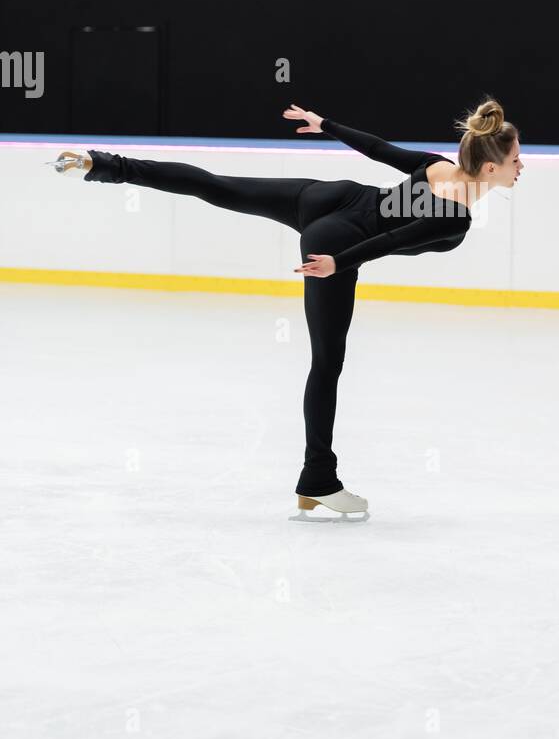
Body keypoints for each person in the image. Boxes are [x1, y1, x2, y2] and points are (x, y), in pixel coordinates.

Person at [48, 96, 523, 521]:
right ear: (489, 170)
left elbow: (380, 150)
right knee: (327, 364)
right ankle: (318, 481)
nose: (520, 167)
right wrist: (336, 262)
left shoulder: (438, 167)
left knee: (218, 186)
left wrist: (327, 124)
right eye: (515, 160)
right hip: (338, 241)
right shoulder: (456, 215)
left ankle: (101, 164)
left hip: (331, 196)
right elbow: (391, 239)